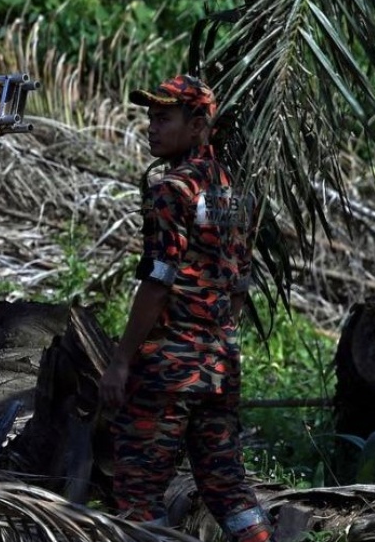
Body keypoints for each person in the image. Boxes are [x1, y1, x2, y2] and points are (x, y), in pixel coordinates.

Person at [97, 74, 271, 542]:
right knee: (227, 486)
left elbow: (158, 282)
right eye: (151, 117)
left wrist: (120, 360)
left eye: (164, 117)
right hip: (219, 360)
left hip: (169, 365)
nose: (152, 127)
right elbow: (239, 286)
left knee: (137, 489)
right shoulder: (237, 193)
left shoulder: (173, 190)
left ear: (198, 126)